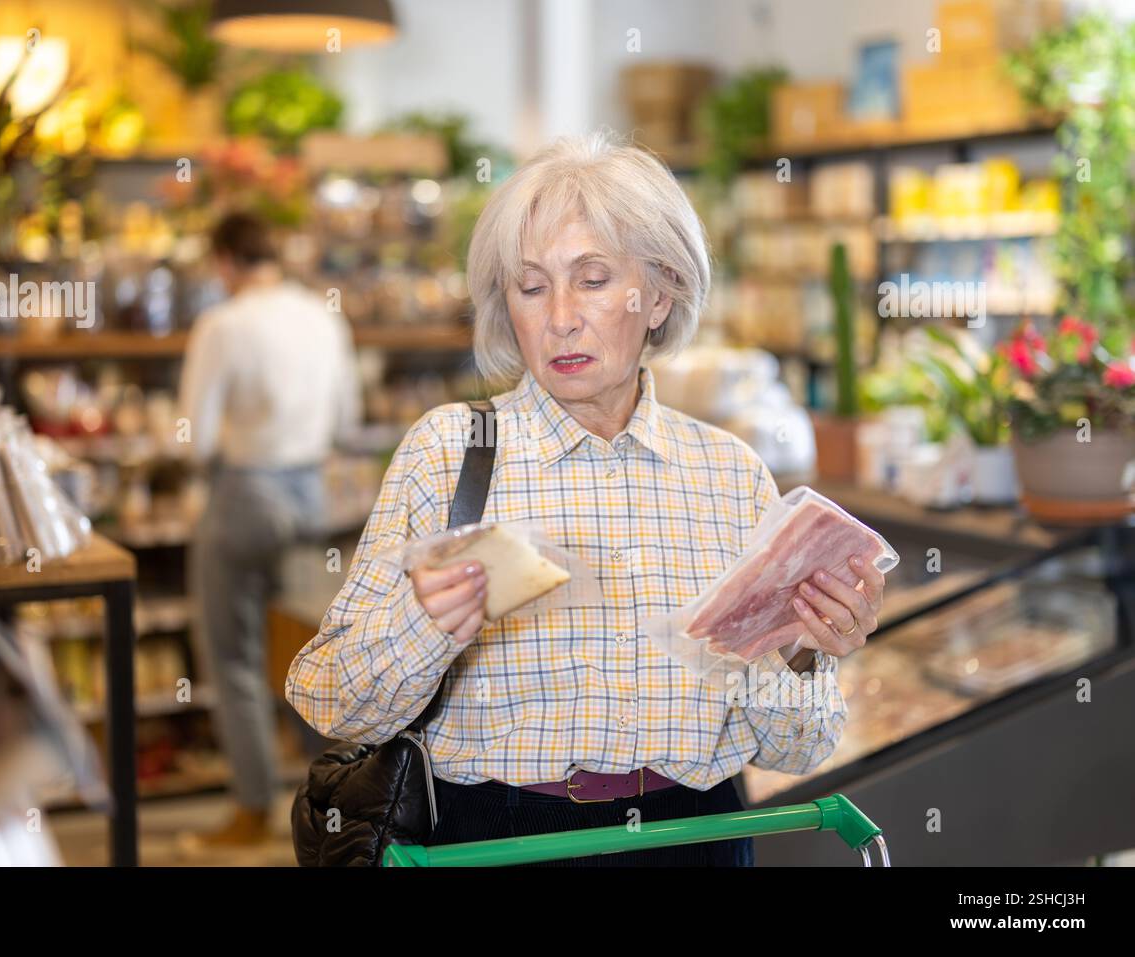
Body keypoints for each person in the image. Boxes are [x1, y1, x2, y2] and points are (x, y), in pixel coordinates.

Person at [286, 132, 884, 866]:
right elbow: (330, 700)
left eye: (593, 279)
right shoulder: (451, 453)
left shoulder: (729, 474)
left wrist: (803, 649)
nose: (560, 316)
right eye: (532, 287)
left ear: (660, 293)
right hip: (499, 841)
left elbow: (797, 747)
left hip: (697, 836)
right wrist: (426, 624)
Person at [177, 211, 360, 853]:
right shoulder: (323, 316)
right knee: (308, 651)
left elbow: (194, 440)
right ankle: (338, 812)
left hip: (245, 495)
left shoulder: (223, 324)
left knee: (234, 658)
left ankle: (251, 812)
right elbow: (348, 418)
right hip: (314, 500)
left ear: (224, 262)